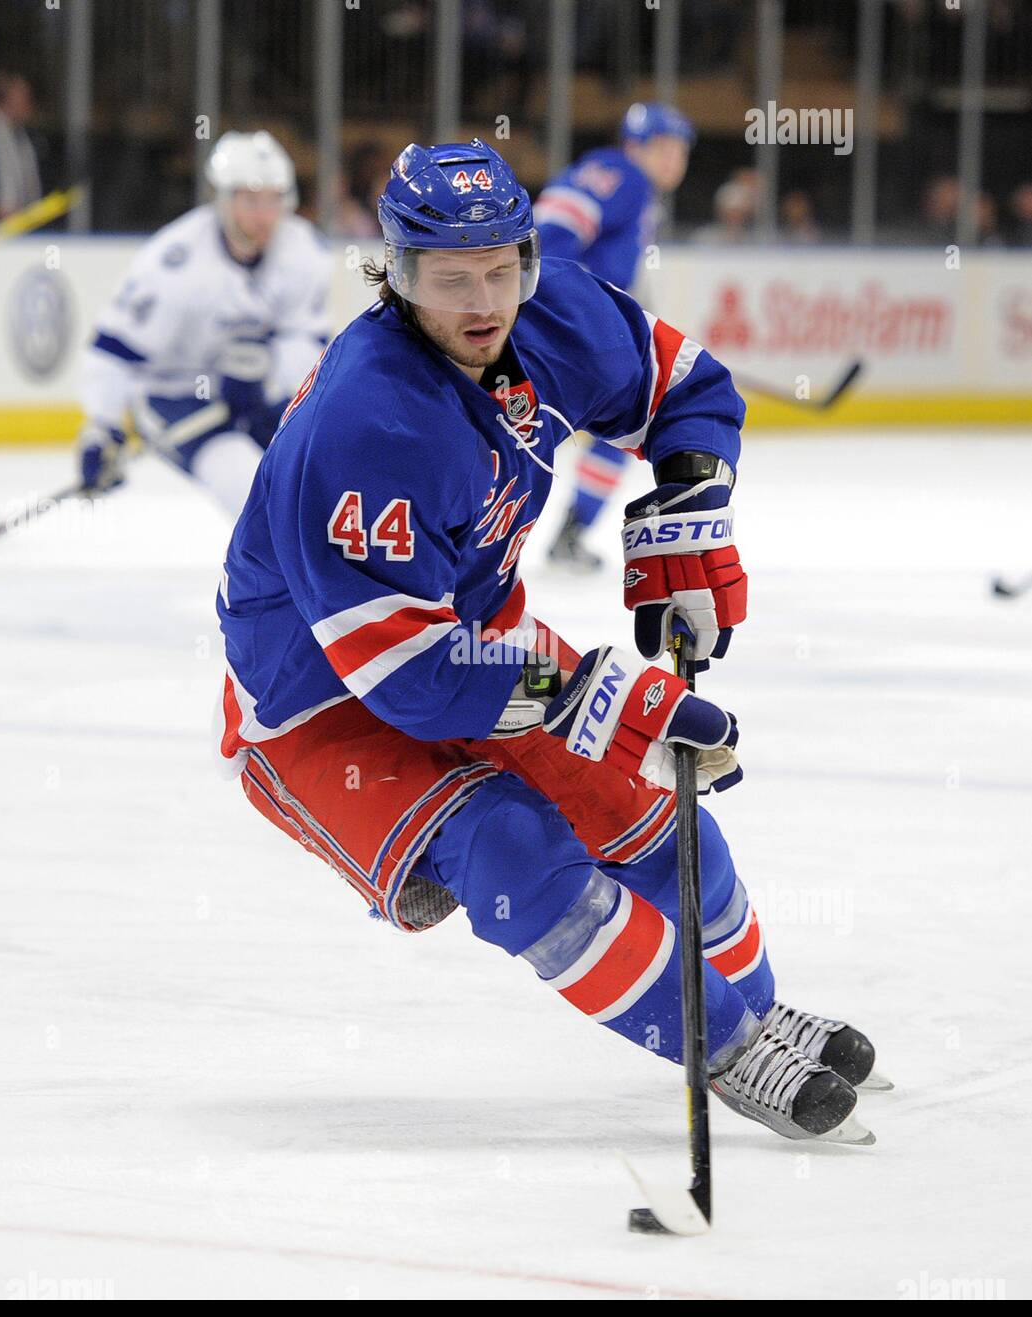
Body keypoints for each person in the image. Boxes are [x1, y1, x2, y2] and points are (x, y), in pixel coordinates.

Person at [215, 138, 885, 1147]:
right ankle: (725, 1041)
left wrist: (688, 504)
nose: (484, 301)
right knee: (513, 848)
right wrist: (604, 700)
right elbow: (410, 676)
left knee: (654, 811)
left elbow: (683, 384)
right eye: (450, 278)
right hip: (320, 702)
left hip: (469, 639)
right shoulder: (365, 421)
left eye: (502, 268)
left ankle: (752, 1007)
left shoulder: (554, 309)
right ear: (396, 277)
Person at [76, 131, 333, 516]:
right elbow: (115, 350)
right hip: (178, 396)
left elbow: (307, 341)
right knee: (251, 490)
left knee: (324, 477)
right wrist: (103, 425)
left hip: (259, 394)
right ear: (224, 200)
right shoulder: (173, 261)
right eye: (250, 200)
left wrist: (267, 371)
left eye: (273, 201)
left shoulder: (303, 251)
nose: (264, 215)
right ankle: (267, 575)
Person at [533, 102, 696, 571]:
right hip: (565, 327)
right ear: (633, 147)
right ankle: (564, 532)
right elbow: (553, 233)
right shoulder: (621, 173)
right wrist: (564, 301)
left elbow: (619, 277)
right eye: (660, 148)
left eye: (679, 150)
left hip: (574, 326)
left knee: (620, 421)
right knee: (624, 419)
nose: (672, 160)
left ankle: (568, 531)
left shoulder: (636, 188)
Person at [0, 72, 43, 227]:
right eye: (23, 97)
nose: (28, 103)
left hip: (25, 223)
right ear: (6, 99)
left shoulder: (26, 137)